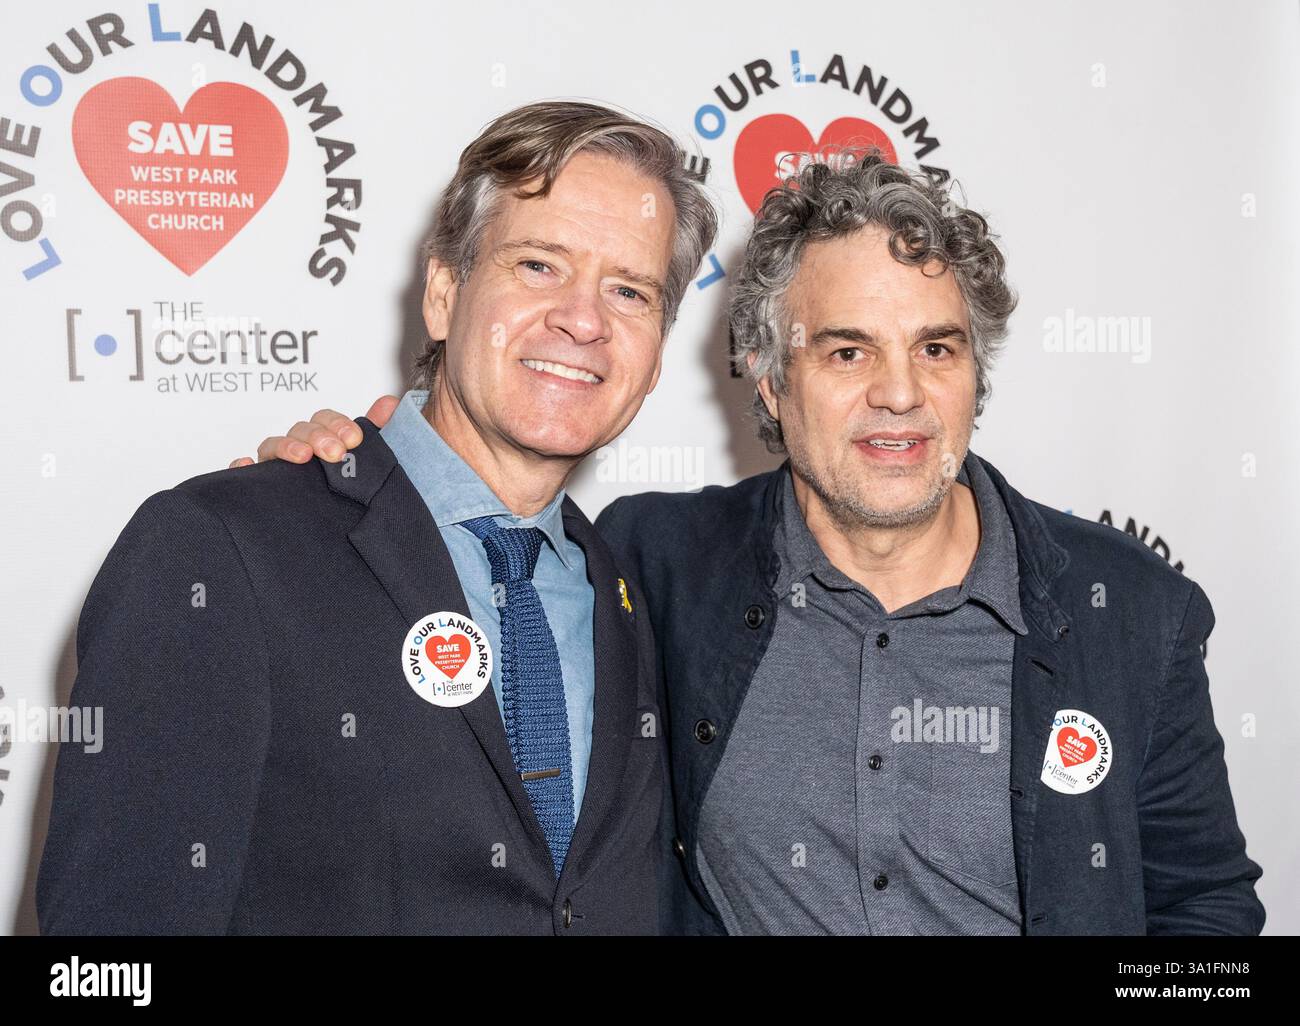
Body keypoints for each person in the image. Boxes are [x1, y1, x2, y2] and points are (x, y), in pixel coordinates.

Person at [242, 156, 1265, 936]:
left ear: (973, 377)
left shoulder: (1126, 611)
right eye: (846, 349)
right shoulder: (652, 565)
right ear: (771, 382)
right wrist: (346, 473)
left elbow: (1203, 913)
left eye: (935, 349)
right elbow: (459, 526)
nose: (898, 394)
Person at [37, 100, 717, 935]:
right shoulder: (222, 550)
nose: (583, 319)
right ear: (442, 293)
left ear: (655, 357)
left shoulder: (625, 583)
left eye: (629, 290)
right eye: (539, 265)